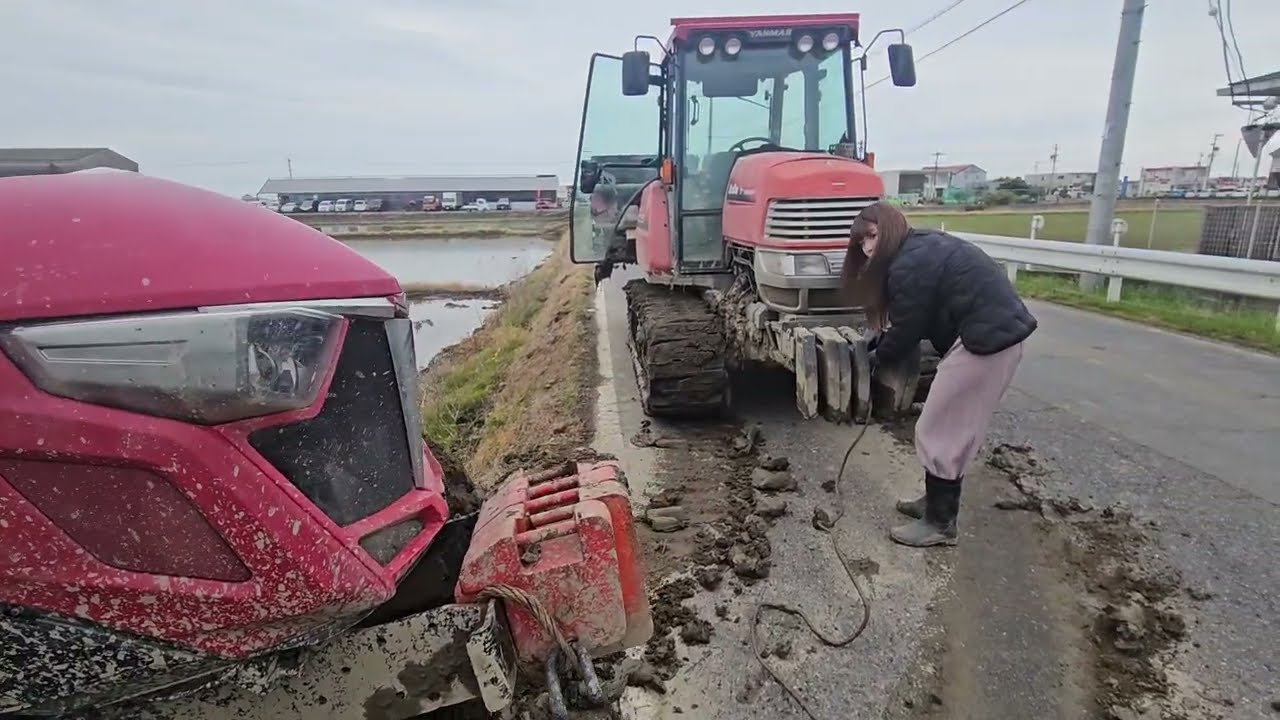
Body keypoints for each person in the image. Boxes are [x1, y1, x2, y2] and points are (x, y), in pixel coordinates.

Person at [840, 202, 1038, 548]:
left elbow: (909, 327)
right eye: (860, 242)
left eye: (872, 236)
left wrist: (876, 359)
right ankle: (934, 503)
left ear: (890, 228)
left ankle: (941, 523)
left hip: (988, 340)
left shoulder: (907, 263)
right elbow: (913, 315)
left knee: (939, 428)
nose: (867, 248)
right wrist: (883, 341)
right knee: (950, 427)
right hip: (993, 334)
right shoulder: (919, 246)